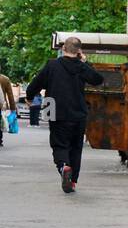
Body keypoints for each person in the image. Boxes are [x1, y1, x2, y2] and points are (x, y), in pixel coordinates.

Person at [26, 37, 104, 193]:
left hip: (54, 110)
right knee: (76, 147)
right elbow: (98, 79)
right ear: (79, 51)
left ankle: (63, 166)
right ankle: (73, 181)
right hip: (78, 113)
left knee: (59, 144)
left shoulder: (52, 65)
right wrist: (84, 62)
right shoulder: (81, 67)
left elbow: (36, 84)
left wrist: (29, 97)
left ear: (63, 49)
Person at [0, 73, 16, 146]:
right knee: (1, 121)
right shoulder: (5, 79)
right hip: (2, 104)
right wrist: (13, 108)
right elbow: (10, 95)